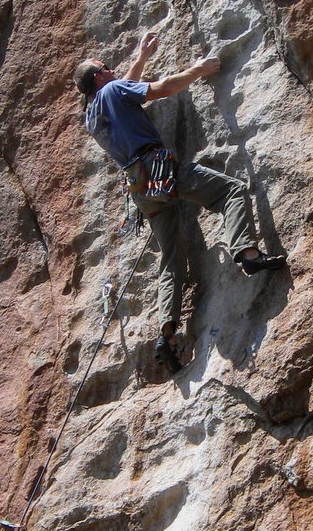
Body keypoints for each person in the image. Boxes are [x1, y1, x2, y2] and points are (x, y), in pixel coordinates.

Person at [75, 31, 286, 373]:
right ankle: (248, 254)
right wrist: (198, 70)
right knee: (230, 191)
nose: (113, 71)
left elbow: (124, 89)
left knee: (171, 261)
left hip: (140, 188)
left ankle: (167, 334)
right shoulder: (112, 91)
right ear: (99, 77)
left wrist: (141, 58)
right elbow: (162, 88)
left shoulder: (92, 115)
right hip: (160, 170)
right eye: (107, 68)